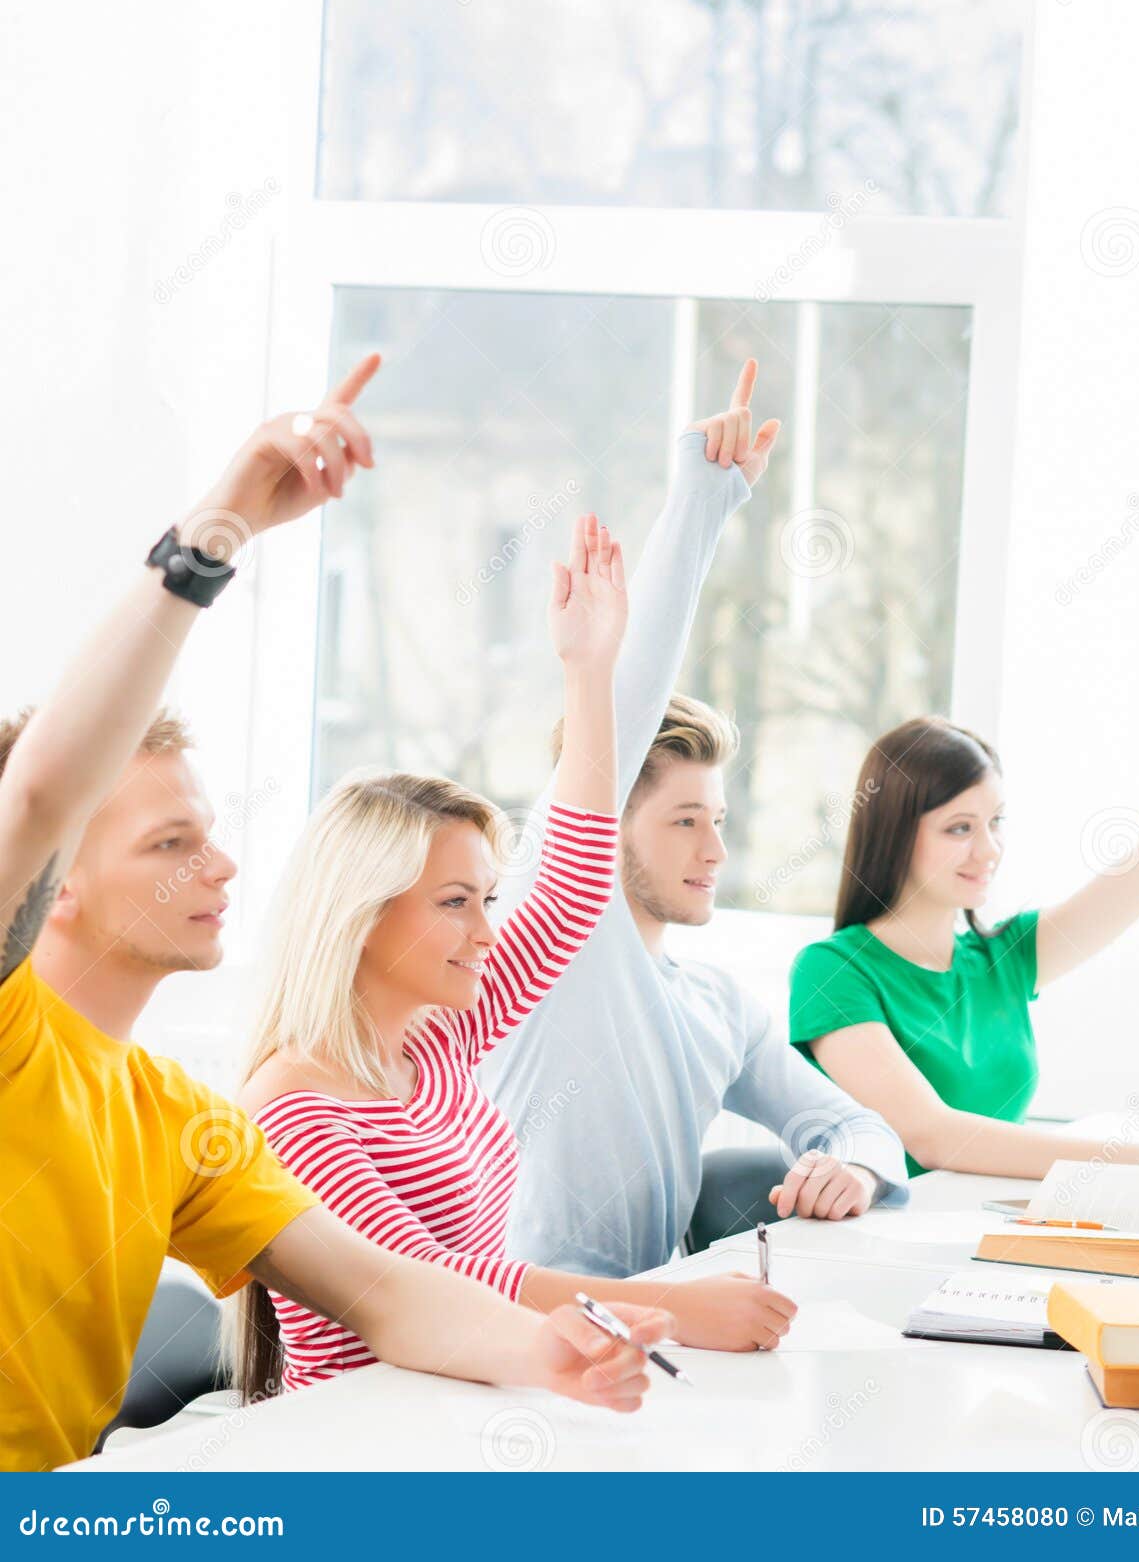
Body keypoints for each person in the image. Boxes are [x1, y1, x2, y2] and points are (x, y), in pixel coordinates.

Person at [0, 361, 670, 1472]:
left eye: (208, 831)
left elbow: (380, 1287)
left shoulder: (172, 1113)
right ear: (55, 880)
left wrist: (548, 1353)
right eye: (170, 842)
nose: (219, 861)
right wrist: (210, 540)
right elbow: (36, 796)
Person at [234, 513, 796, 1388]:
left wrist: (589, 671)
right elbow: (432, 1288)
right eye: (455, 904)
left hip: (470, 1405)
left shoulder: (433, 1043)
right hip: (362, 1445)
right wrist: (678, 1311)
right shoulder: (295, 1111)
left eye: (487, 900)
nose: (487, 933)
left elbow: (573, 890)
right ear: (361, 918)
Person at [479, 362, 910, 1278]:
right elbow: (622, 710)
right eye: (682, 821)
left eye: (717, 818)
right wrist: (701, 506)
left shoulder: (718, 1007)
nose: (715, 850)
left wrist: (856, 1170)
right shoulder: (550, 946)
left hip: (653, 1343)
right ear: (605, 824)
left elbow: (857, 1125)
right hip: (518, 1347)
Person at [789, 527, 1139, 1181]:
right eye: (959, 827)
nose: (988, 848)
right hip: (885, 1246)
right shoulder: (832, 971)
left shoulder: (1005, 961)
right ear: (897, 831)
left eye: (996, 822)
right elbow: (934, 1137)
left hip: (985, 1235)